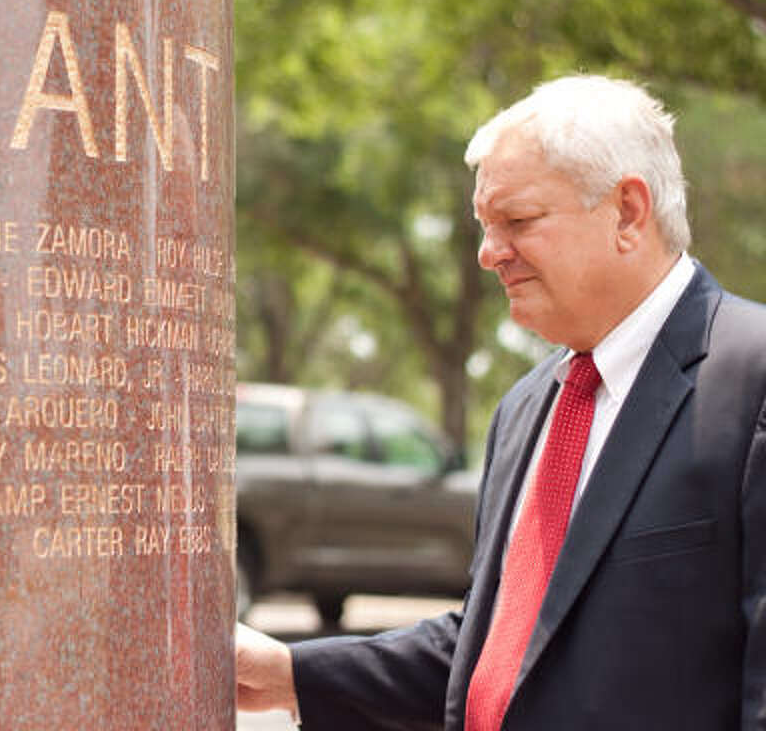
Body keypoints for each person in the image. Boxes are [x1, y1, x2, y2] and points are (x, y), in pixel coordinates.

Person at [235, 74, 766, 730]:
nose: (490, 254)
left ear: (628, 211)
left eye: (517, 221)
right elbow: (500, 651)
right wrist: (290, 674)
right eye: (486, 226)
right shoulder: (524, 409)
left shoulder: (751, 382)